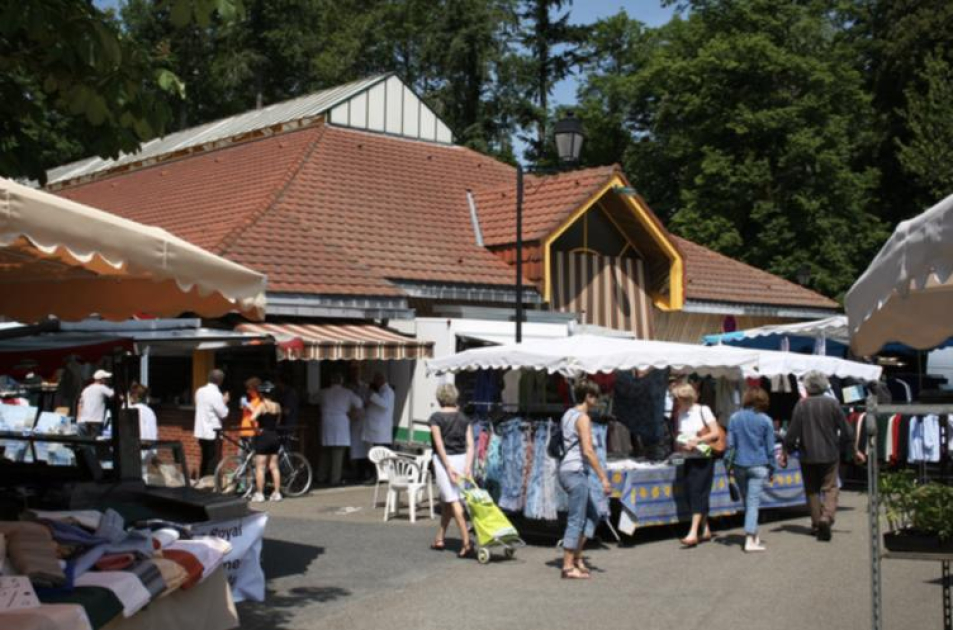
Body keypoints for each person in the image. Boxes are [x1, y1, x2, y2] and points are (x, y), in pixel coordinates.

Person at [781, 371, 865, 542]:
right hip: (830, 453)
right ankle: (826, 517)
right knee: (830, 487)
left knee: (812, 490)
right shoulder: (833, 404)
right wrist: (854, 449)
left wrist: (786, 451)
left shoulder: (801, 405)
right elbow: (847, 430)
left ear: (807, 387)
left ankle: (816, 523)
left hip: (807, 454)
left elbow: (792, 433)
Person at [558, 379, 611, 580]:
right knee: (577, 519)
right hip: (575, 471)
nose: (597, 400)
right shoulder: (583, 418)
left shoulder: (568, 414)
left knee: (592, 514)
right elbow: (588, 450)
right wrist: (603, 477)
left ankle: (577, 556)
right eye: (595, 396)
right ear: (588, 397)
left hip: (567, 470)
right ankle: (568, 565)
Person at [727, 387, 775, 552]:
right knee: (753, 502)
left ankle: (754, 534)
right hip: (759, 464)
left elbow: (730, 445)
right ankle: (749, 539)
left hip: (739, 464)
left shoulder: (734, 418)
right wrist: (773, 468)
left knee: (748, 501)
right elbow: (770, 449)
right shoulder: (766, 420)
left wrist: (728, 465)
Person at [429, 383, 475, 558]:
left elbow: (439, 444)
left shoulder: (436, 418)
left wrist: (447, 467)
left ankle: (466, 542)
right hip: (462, 459)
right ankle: (440, 537)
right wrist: (468, 466)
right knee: (448, 499)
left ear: (440, 398)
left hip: (444, 461)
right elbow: (471, 444)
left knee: (453, 500)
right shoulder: (464, 418)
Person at [673, 382, 720, 547]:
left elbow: (715, 432)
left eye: (679, 399)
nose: (677, 402)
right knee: (691, 491)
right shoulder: (680, 413)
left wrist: (697, 440)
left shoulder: (703, 410)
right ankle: (705, 528)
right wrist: (682, 443)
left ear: (687, 398)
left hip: (703, 457)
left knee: (698, 492)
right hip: (688, 457)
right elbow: (680, 434)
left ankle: (693, 532)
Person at [318, 373, 363, 486]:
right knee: (338, 453)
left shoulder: (324, 392)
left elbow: (312, 399)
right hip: (341, 423)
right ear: (341, 381)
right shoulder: (347, 393)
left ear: (331, 381)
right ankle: (335, 479)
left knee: (325, 452)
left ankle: (321, 476)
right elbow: (359, 403)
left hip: (327, 422)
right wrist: (353, 412)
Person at [250, 382, 283, 503]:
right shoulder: (277, 405)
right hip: (274, 435)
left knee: (260, 467)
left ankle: (260, 494)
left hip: (264, 436)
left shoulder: (262, 405)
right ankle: (277, 493)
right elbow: (278, 421)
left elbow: (252, 418)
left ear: (262, 394)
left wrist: (256, 430)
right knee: (274, 466)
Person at [194, 369, 230, 477]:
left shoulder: (199, 391)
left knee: (204, 458)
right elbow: (223, 414)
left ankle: (202, 482)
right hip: (213, 432)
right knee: (213, 460)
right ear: (220, 381)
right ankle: (209, 485)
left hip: (201, 431)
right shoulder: (216, 394)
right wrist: (225, 401)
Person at [77, 369, 115, 438]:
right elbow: (114, 396)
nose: (106, 381)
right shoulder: (102, 388)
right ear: (101, 379)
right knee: (95, 445)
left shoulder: (86, 389)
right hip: (95, 421)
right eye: (105, 379)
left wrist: (78, 419)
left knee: (85, 445)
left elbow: (80, 404)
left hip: (82, 421)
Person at [363, 372, 395, 447]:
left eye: (375, 381)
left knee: (379, 455)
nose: (374, 383)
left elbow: (385, 405)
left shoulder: (388, 391)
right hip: (377, 432)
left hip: (381, 432)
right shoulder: (381, 391)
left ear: (380, 380)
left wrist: (372, 395)